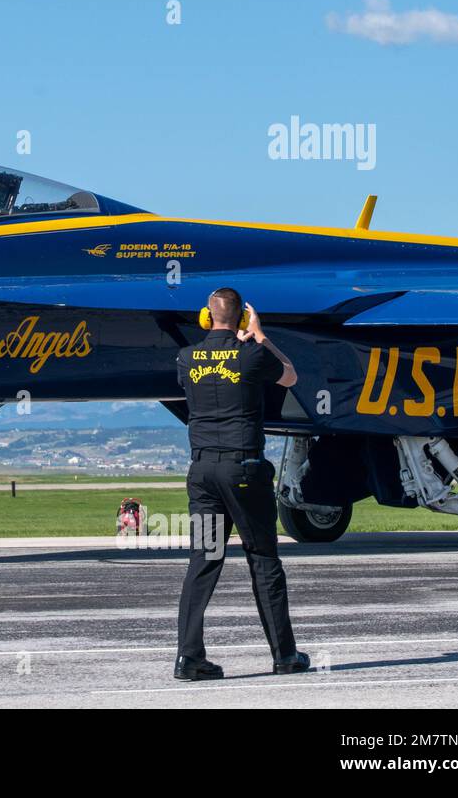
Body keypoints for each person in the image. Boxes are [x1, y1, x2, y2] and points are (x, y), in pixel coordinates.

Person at [173, 287, 310, 681]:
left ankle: (189, 658)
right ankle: (284, 655)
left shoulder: (186, 358)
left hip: (202, 474)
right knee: (263, 558)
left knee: (204, 561)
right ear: (240, 317)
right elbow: (290, 375)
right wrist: (261, 336)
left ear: (206, 316)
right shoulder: (252, 354)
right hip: (243, 470)